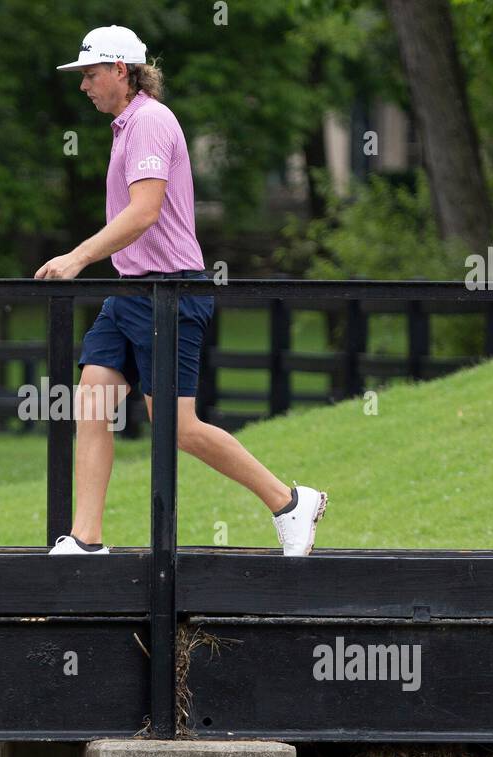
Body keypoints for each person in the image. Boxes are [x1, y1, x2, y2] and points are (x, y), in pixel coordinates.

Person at [35, 25, 327, 556]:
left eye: (91, 73)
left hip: (169, 294)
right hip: (131, 293)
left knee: (177, 427)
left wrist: (78, 256)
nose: (84, 85)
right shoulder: (127, 126)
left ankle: (289, 501)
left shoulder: (149, 122)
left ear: (121, 70)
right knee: (93, 402)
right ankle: (86, 539)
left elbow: (144, 213)